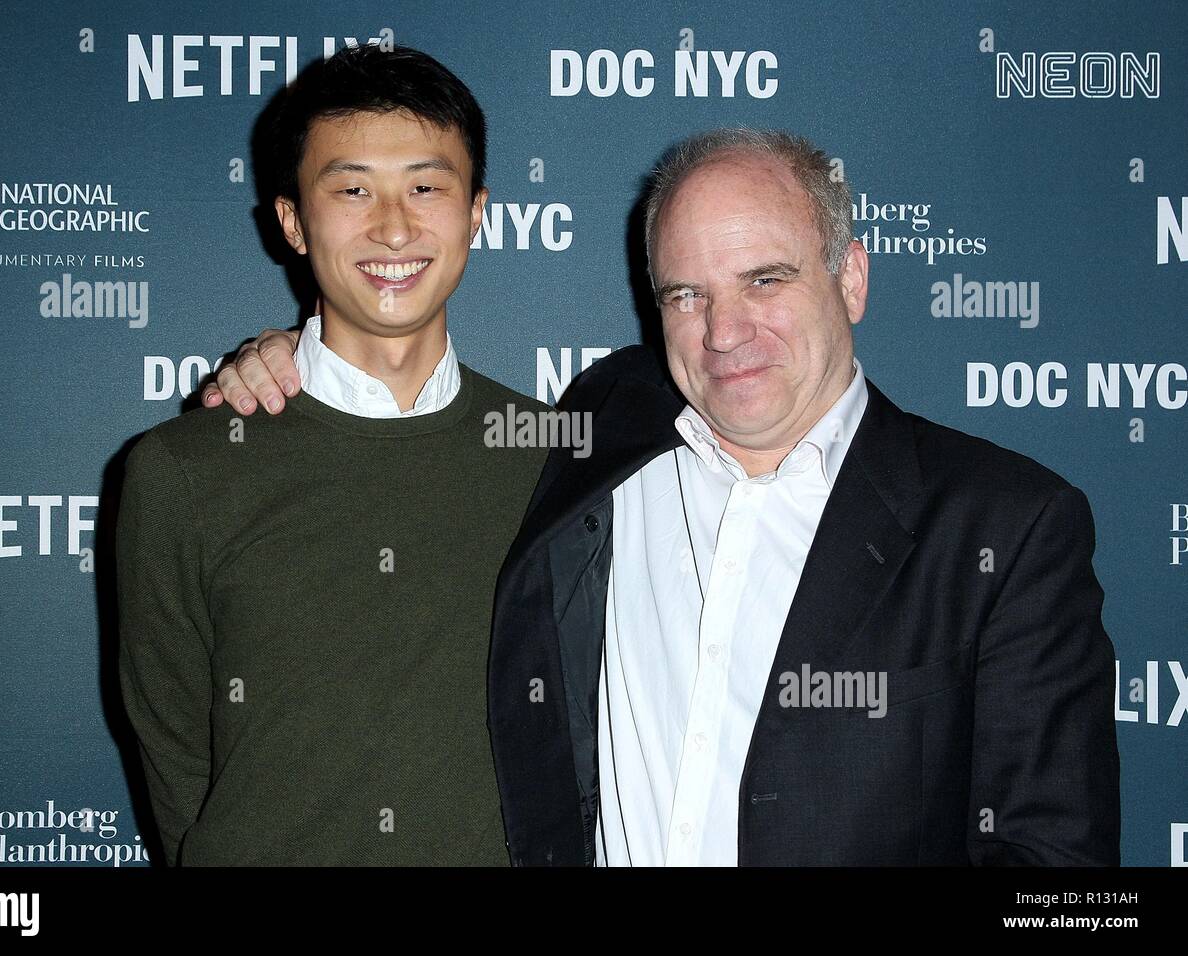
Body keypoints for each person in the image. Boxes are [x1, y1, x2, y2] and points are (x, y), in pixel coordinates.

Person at [206, 129, 1121, 867]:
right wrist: (298, 365)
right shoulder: (608, 421)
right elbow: (422, 430)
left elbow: (1053, 862)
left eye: (766, 279)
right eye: (685, 294)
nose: (725, 330)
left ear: (850, 278)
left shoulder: (1006, 524)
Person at [116, 45, 547, 865]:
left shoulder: (553, 459)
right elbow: (176, 760)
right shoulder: (184, 472)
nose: (393, 225)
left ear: (477, 212)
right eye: (352, 189)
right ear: (290, 221)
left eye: (427, 186)